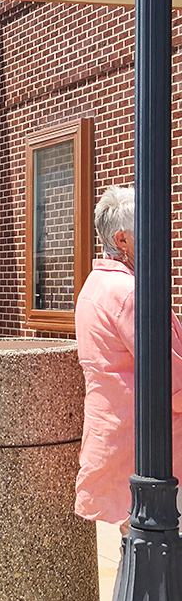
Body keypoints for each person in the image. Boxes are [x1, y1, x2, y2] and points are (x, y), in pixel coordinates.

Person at [75, 185, 182, 530]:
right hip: (154, 446)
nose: (161, 239)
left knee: (138, 547)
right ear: (122, 240)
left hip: (119, 437)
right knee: (160, 549)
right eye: (150, 229)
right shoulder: (131, 292)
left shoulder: (95, 286)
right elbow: (171, 377)